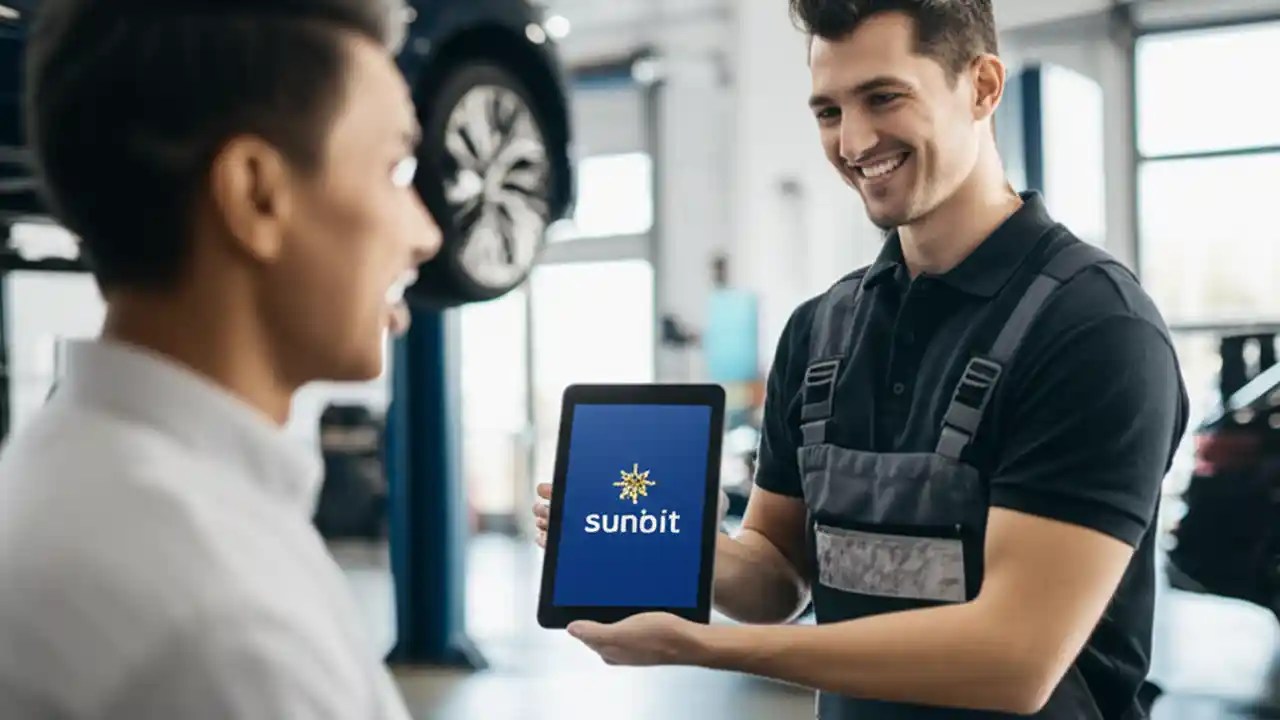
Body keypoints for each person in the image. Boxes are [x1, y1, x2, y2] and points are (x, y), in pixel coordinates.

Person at [533, 1, 1188, 718]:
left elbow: (1015, 657)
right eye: (827, 111)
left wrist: (703, 647)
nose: (854, 140)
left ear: (984, 87)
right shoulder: (821, 333)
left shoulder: (1093, 330)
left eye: (883, 97)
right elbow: (779, 577)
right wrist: (662, 537)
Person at [0, 1, 440, 718]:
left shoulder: (59, 469)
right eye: (395, 167)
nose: (424, 234)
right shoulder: (227, 630)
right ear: (255, 194)